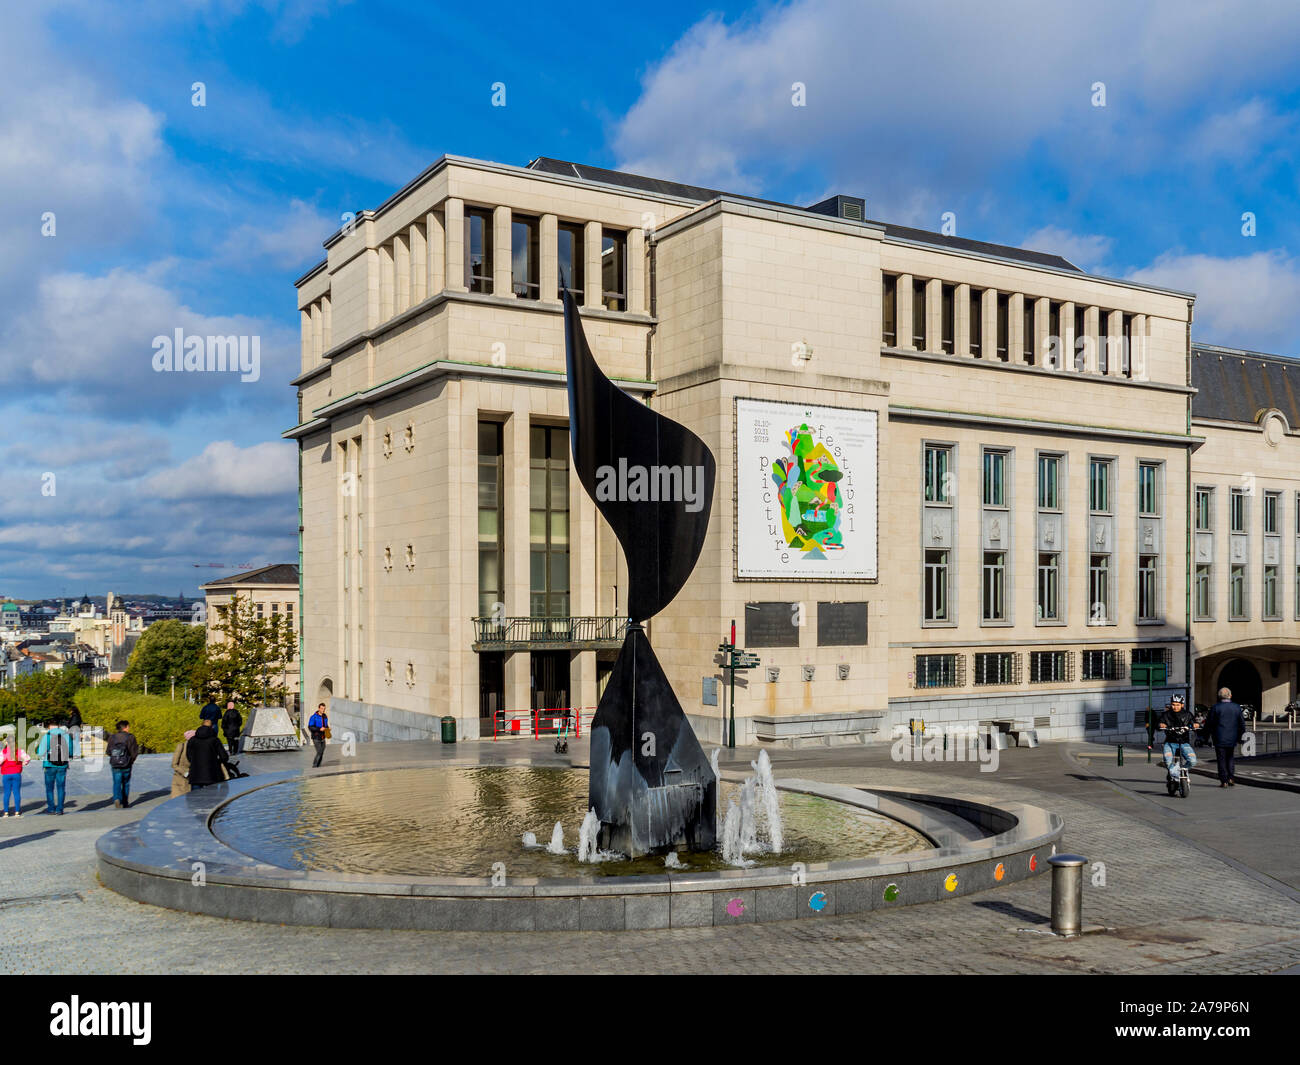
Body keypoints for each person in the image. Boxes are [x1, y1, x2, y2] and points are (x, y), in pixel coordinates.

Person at [1204, 686, 1247, 788]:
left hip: (1219, 737)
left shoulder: (1215, 707)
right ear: (1230, 695)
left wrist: (1205, 737)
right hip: (1232, 737)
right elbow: (1241, 723)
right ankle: (1231, 777)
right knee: (1230, 757)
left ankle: (1224, 780)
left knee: (1221, 759)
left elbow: (1209, 724)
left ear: (1219, 696)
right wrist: (1241, 736)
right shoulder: (1236, 707)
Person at [35, 717, 78, 815]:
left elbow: (40, 752)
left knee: (49, 788)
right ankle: (59, 809)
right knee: (61, 787)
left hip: (49, 764)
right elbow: (71, 750)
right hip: (63, 765)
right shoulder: (66, 735)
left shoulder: (47, 735)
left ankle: (51, 808)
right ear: (58, 725)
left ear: (49, 726)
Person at [1157, 694, 1198, 784]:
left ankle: (1183, 770)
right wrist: (1161, 725)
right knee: (1167, 761)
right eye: (1173, 704)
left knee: (1193, 761)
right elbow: (1159, 724)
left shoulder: (1188, 714)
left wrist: (1196, 725)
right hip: (1169, 743)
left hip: (1184, 742)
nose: (1175, 707)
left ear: (1182, 705)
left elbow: (1194, 723)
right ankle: (1173, 773)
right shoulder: (1166, 715)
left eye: (1177, 705)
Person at [186, 716, 230, 788]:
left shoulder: (192, 740)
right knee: (210, 797)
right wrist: (217, 762)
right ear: (212, 727)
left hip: (195, 774)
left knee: (195, 796)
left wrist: (195, 762)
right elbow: (224, 756)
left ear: (201, 725)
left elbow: (188, 756)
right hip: (212, 773)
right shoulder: (215, 740)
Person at [105, 720, 140, 809]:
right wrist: (131, 760)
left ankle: (117, 798)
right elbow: (134, 752)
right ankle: (125, 802)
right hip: (126, 764)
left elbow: (108, 751)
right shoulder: (130, 737)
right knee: (126, 783)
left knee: (116, 783)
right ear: (125, 727)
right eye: (128, 726)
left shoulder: (112, 737)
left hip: (115, 764)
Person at [1, 737, 30, 818]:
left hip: (6, 774)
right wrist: (24, 763)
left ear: (6, 743)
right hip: (16, 773)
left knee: (7, 793)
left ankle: (6, 812)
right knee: (16, 793)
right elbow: (28, 758)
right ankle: (17, 812)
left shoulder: (4, 752)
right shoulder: (20, 751)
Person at [171, 729, 196, 797]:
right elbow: (174, 764)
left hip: (192, 780)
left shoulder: (198, 747)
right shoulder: (181, 746)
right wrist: (185, 773)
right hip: (180, 779)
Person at [308, 703, 330, 768]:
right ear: (319, 708)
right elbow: (310, 727)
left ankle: (318, 765)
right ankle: (314, 766)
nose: (323, 710)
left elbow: (325, 725)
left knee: (321, 752)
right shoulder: (313, 717)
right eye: (322, 708)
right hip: (316, 737)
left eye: (324, 709)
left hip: (323, 737)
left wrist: (327, 728)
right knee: (319, 752)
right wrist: (319, 729)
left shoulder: (325, 716)